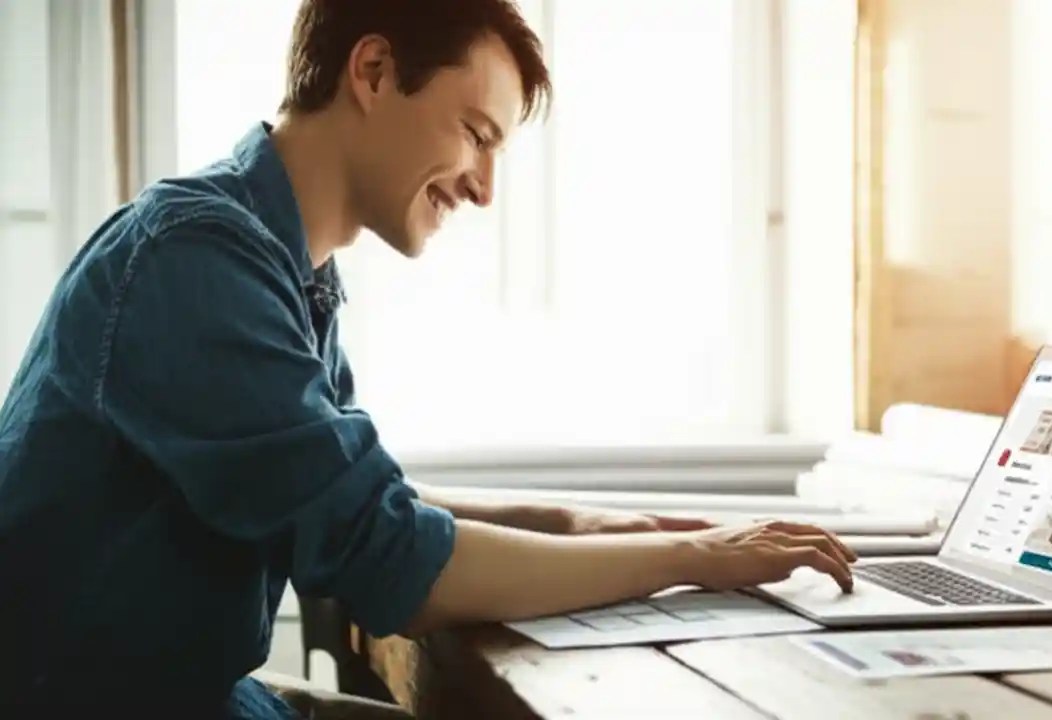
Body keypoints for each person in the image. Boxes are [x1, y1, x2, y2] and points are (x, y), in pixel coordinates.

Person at [0, 1, 854, 717]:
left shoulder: (283, 268)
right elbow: (389, 561)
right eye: (476, 133)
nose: (485, 186)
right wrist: (689, 562)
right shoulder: (197, 262)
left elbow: (360, 502)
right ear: (372, 73)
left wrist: (590, 526)